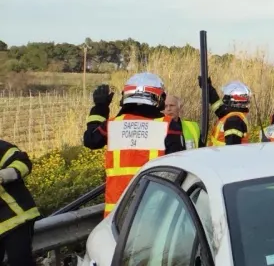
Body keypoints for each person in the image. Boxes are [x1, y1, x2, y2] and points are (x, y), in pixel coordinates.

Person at [84, 74, 185, 217]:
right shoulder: (168, 125)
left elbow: (90, 140)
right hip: (153, 209)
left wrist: (100, 108)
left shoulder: (113, 125)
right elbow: (177, 166)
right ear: (157, 97)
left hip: (117, 211)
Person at [0, 137, 50, 266]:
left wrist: (5, 175)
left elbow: (23, 162)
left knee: (20, 261)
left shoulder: (1, 148)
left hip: (17, 216)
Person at [203, 79, 252, 146]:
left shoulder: (234, 120)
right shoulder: (232, 114)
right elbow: (218, 106)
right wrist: (208, 87)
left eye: (226, 97)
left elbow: (232, 149)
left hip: (221, 156)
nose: (224, 99)